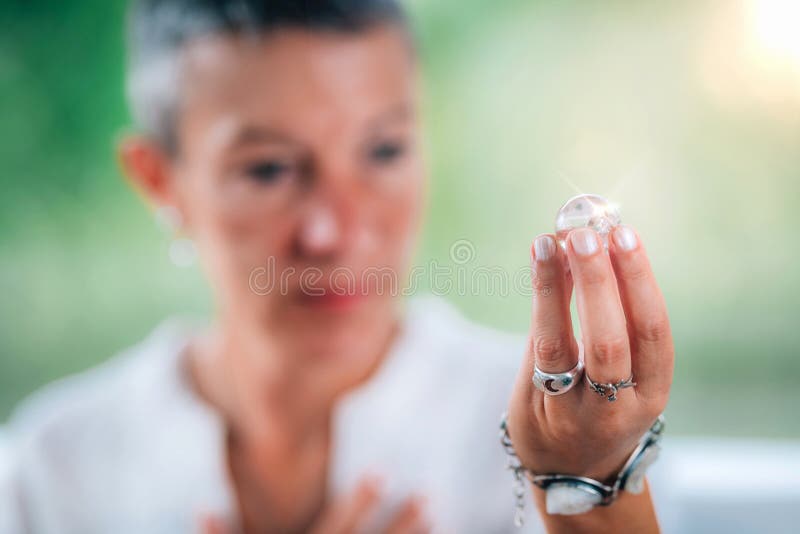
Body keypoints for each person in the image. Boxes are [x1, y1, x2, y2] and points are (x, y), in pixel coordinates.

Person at [0, 1, 674, 532]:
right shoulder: (58, 467)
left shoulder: (568, 431)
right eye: (268, 169)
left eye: (383, 151)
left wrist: (591, 480)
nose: (334, 231)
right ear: (159, 182)